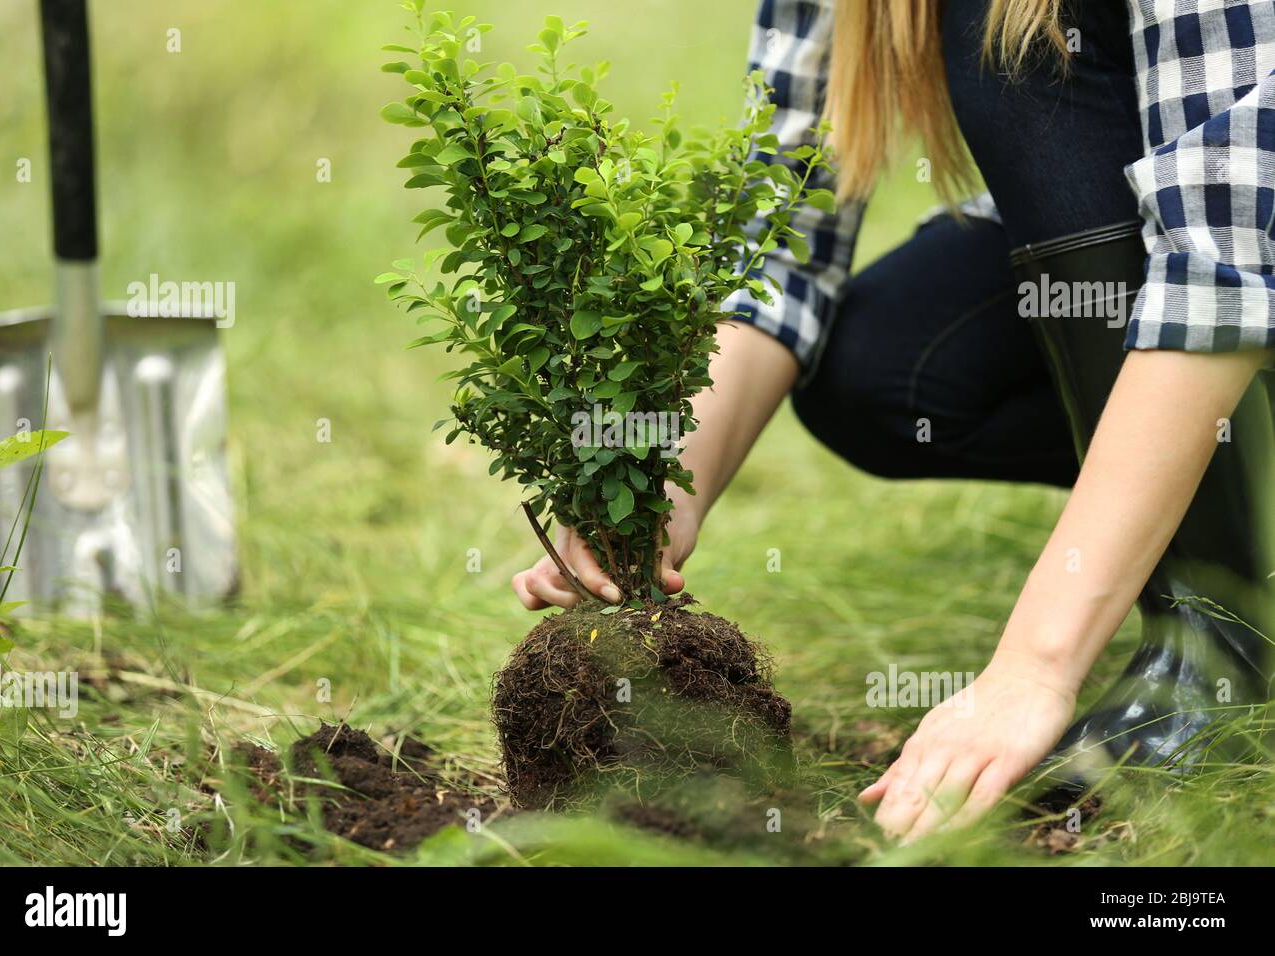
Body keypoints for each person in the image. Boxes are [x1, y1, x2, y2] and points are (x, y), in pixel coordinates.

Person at [512, 0, 1275, 841]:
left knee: (1007, 40)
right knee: (886, 373)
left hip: (1240, 218)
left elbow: (1223, 266)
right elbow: (783, 239)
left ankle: (1218, 639)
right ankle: (1236, 519)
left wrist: (1032, 668)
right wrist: (663, 484)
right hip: (1180, 231)